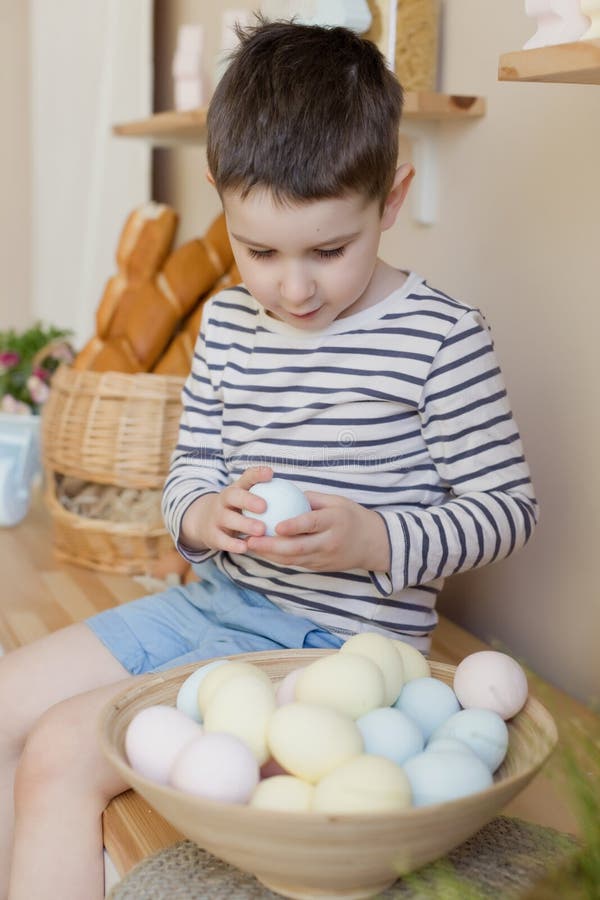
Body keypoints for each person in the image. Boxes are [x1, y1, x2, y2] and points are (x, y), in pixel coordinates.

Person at [0, 17, 538, 900]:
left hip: (342, 653)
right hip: (217, 603)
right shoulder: (224, 324)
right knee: (10, 699)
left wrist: (376, 540)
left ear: (391, 199)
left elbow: (507, 507)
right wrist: (204, 515)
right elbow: (188, 477)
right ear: (222, 200)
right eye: (260, 251)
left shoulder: (442, 338)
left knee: (63, 751)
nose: (294, 288)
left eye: (330, 250)